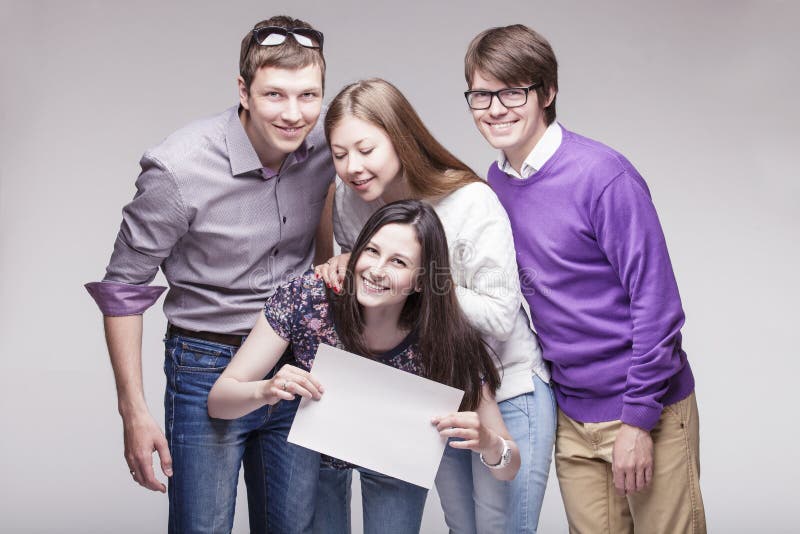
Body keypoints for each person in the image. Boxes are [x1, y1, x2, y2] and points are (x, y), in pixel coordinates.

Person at [84, 15, 335, 533]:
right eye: (275, 95)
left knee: (295, 527)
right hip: (206, 364)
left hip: (296, 360)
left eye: (308, 96)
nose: (294, 114)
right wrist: (133, 412)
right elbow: (122, 290)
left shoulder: (328, 151)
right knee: (203, 526)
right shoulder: (179, 168)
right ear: (243, 90)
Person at [463, 24, 707, 533]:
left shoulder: (604, 176)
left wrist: (638, 421)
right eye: (481, 94)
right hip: (573, 415)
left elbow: (657, 306)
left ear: (547, 93)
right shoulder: (495, 184)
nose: (495, 108)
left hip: (646, 406)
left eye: (512, 91)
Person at [316, 78, 555, 534]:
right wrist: (346, 268)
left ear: (400, 138)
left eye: (366, 149)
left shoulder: (470, 201)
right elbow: (375, 307)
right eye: (340, 154)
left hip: (506, 388)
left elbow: (501, 317)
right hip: (438, 388)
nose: (352, 167)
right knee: (461, 527)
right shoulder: (350, 202)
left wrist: (414, 282)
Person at [208, 200, 520, 534]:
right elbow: (219, 401)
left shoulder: (444, 336)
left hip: (396, 459)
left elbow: (509, 466)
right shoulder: (307, 299)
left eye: (398, 261)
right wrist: (265, 389)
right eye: (371, 251)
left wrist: (489, 442)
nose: (376, 269)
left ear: (420, 281)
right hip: (317, 454)